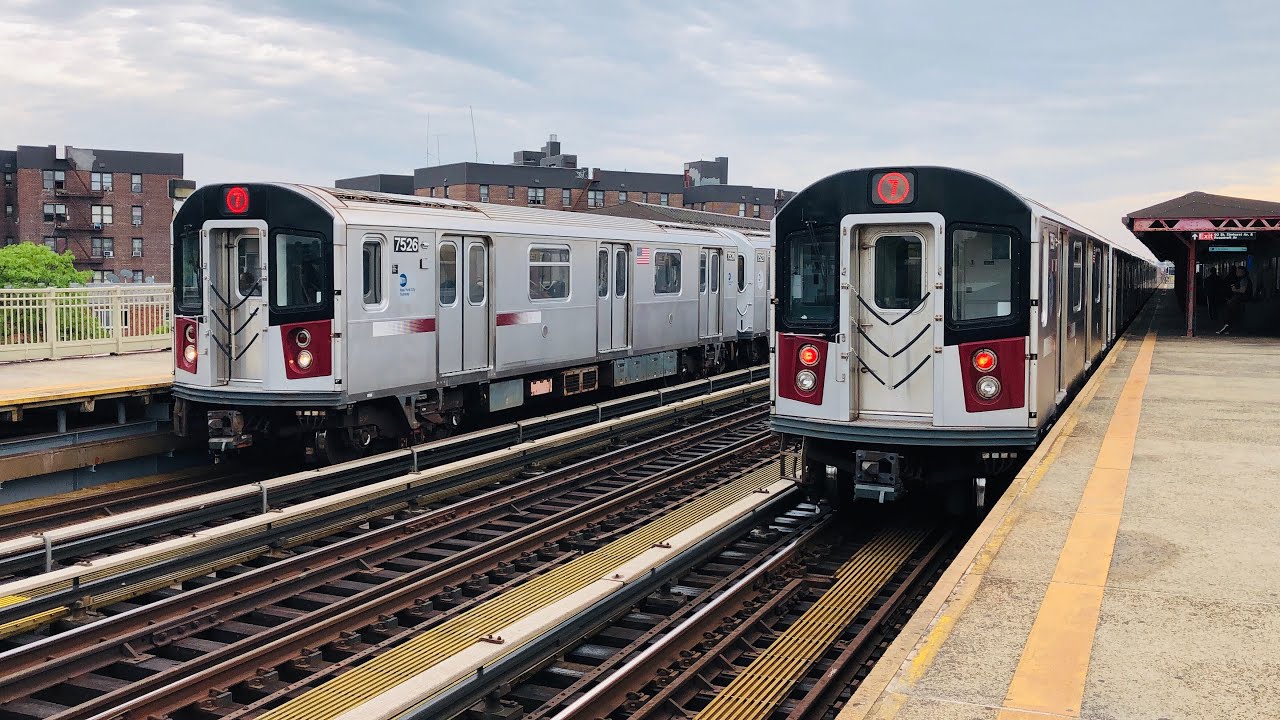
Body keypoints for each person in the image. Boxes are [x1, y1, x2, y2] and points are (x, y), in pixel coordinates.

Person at [1217, 266, 1252, 335]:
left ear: (1241, 272)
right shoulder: (1243, 279)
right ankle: (1229, 326)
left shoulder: (1244, 279)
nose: (1236, 273)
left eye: (1238, 271)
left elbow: (1243, 290)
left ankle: (1227, 325)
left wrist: (1235, 290)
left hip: (1241, 298)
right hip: (1240, 298)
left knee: (1227, 308)